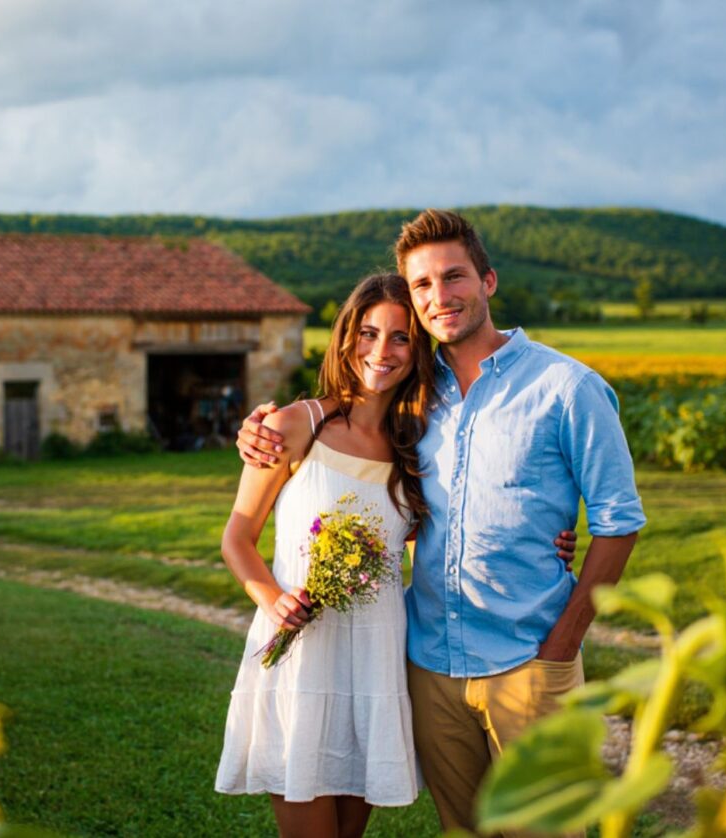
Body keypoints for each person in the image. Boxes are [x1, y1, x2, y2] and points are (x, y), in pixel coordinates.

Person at [238, 210, 644, 834]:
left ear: (488, 280)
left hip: (528, 660)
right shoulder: (417, 404)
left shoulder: (566, 387)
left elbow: (619, 521)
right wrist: (254, 432)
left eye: (453, 276)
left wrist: (560, 648)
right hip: (428, 668)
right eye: (422, 285)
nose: (439, 296)